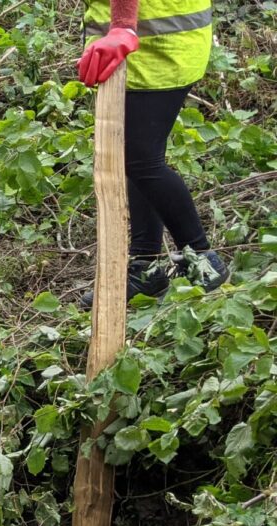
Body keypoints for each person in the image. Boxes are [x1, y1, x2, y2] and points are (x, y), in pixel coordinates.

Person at [78, 0, 227, 308]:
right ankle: (147, 266)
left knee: (140, 158)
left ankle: (202, 258)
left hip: (153, 49)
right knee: (137, 157)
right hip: (162, 44)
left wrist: (122, 25)